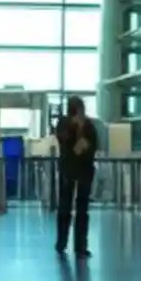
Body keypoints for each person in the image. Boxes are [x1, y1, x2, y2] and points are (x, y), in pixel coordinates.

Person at [55, 96, 98, 257]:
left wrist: (81, 131)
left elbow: (92, 146)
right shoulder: (64, 124)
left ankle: (80, 245)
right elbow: (64, 142)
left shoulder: (88, 125)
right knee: (65, 208)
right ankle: (62, 242)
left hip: (84, 170)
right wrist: (76, 128)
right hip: (68, 170)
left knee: (82, 209)